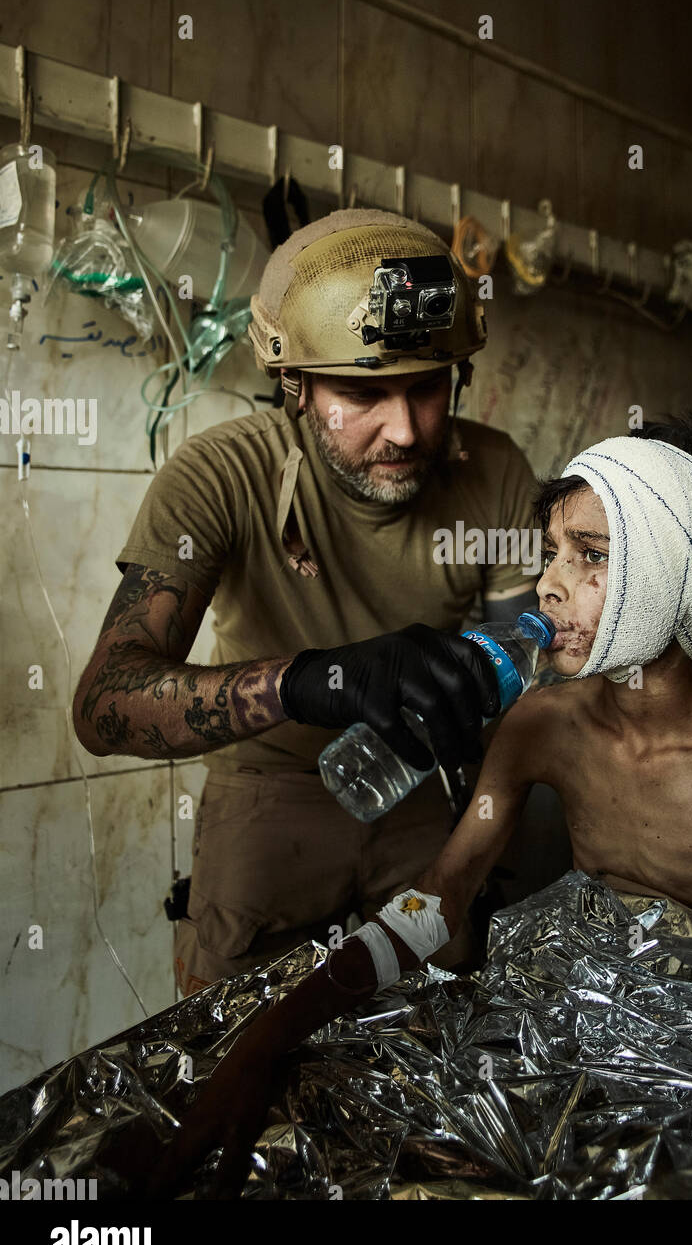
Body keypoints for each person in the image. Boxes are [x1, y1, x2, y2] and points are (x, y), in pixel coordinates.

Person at [149, 411, 692, 1197]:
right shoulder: (543, 724)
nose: (548, 583)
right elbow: (439, 898)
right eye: (550, 553)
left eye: (590, 556)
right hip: (585, 1037)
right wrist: (267, 1040)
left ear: (674, 576)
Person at [71, 208, 539, 995]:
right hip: (268, 793)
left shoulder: (492, 472)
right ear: (294, 385)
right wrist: (311, 681)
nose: (402, 430)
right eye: (361, 394)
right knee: (238, 1045)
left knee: (442, 1026)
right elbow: (104, 705)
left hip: (420, 785)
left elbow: (525, 664)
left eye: (427, 388)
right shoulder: (221, 474)